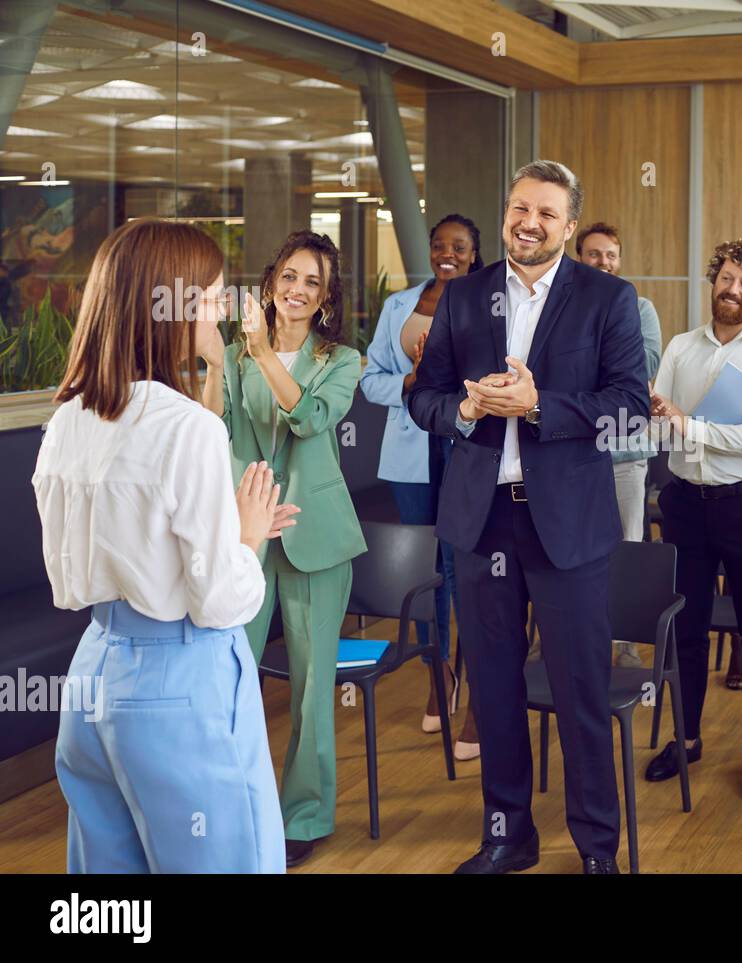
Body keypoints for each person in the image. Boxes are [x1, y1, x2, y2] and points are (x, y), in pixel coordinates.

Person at [407, 160, 648, 875]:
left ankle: (597, 846)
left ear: (569, 227)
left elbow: (629, 406)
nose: (529, 221)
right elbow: (425, 398)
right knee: (494, 685)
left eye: (546, 212)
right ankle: (508, 836)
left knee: (579, 692)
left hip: (568, 526)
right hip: (481, 524)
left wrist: (539, 407)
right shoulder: (464, 295)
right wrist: (465, 410)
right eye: (519, 207)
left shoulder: (609, 297)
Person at [33, 218, 291, 873]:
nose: (220, 311)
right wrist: (248, 534)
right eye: (209, 296)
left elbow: (67, 572)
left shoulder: (67, 418)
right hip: (182, 679)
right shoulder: (188, 433)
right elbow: (219, 599)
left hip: (94, 676)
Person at [205, 230, 367, 868]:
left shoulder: (341, 360)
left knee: (309, 689)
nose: (298, 290)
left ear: (325, 298)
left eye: (313, 283)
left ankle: (305, 816)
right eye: (290, 277)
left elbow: (308, 420)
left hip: (317, 539)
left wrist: (260, 350)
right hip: (250, 528)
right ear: (272, 282)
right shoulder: (235, 354)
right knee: (233, 676)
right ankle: (231, 808)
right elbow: (222, 429)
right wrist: (225, 361)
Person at [645, 239, 742, 801]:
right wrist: (665, 420)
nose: (732, 289)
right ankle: (686, 738)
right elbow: (661, 423)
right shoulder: (681, 346)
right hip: (685, 502)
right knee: (688, 628)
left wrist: (690, 425)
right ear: (714, 280)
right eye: (726, 278)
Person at [361, 214, 483, 756]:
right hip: (411, 454)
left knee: (464, 569)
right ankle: (439, 680)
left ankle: (472, 681)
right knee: (426, 570)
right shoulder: (396, 307)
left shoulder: (487, 302)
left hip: (467, 448)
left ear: (474, 254)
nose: (448, 253)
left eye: (459, 246)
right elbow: (369, 379)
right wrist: (410, 380)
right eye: (439, 245)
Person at [575, 221, 663, 669]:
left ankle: (622, 645)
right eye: (594, 254)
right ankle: (574, 639)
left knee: (625, 546)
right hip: (571, 453)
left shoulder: (639, 307)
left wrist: (584, 360)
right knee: (571, 551)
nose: (604, 262)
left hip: (626, 453)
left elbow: (644, 366)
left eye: (611, 254)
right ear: (579, 258)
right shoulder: (562, 306)